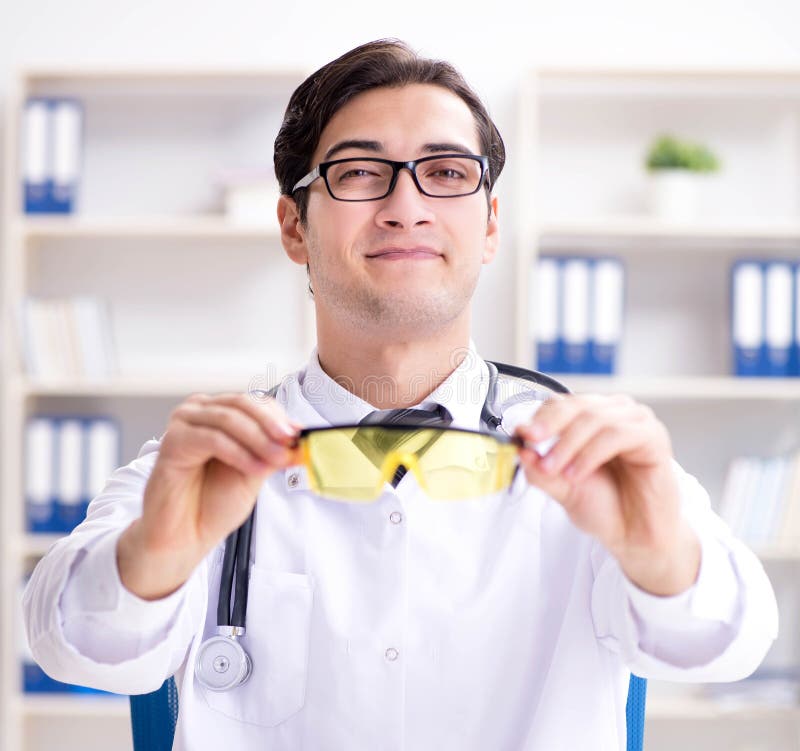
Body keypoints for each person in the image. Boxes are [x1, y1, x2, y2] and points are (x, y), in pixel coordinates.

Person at [24, 39, 778, 750]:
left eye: (447, 172)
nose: (406, 204)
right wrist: (159, 551)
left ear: (488, 224)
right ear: (292, 225)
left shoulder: (595, 457)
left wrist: (661, 553)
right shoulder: (192, 468)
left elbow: (727, 640)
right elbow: (73, 643)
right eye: (358, 172)